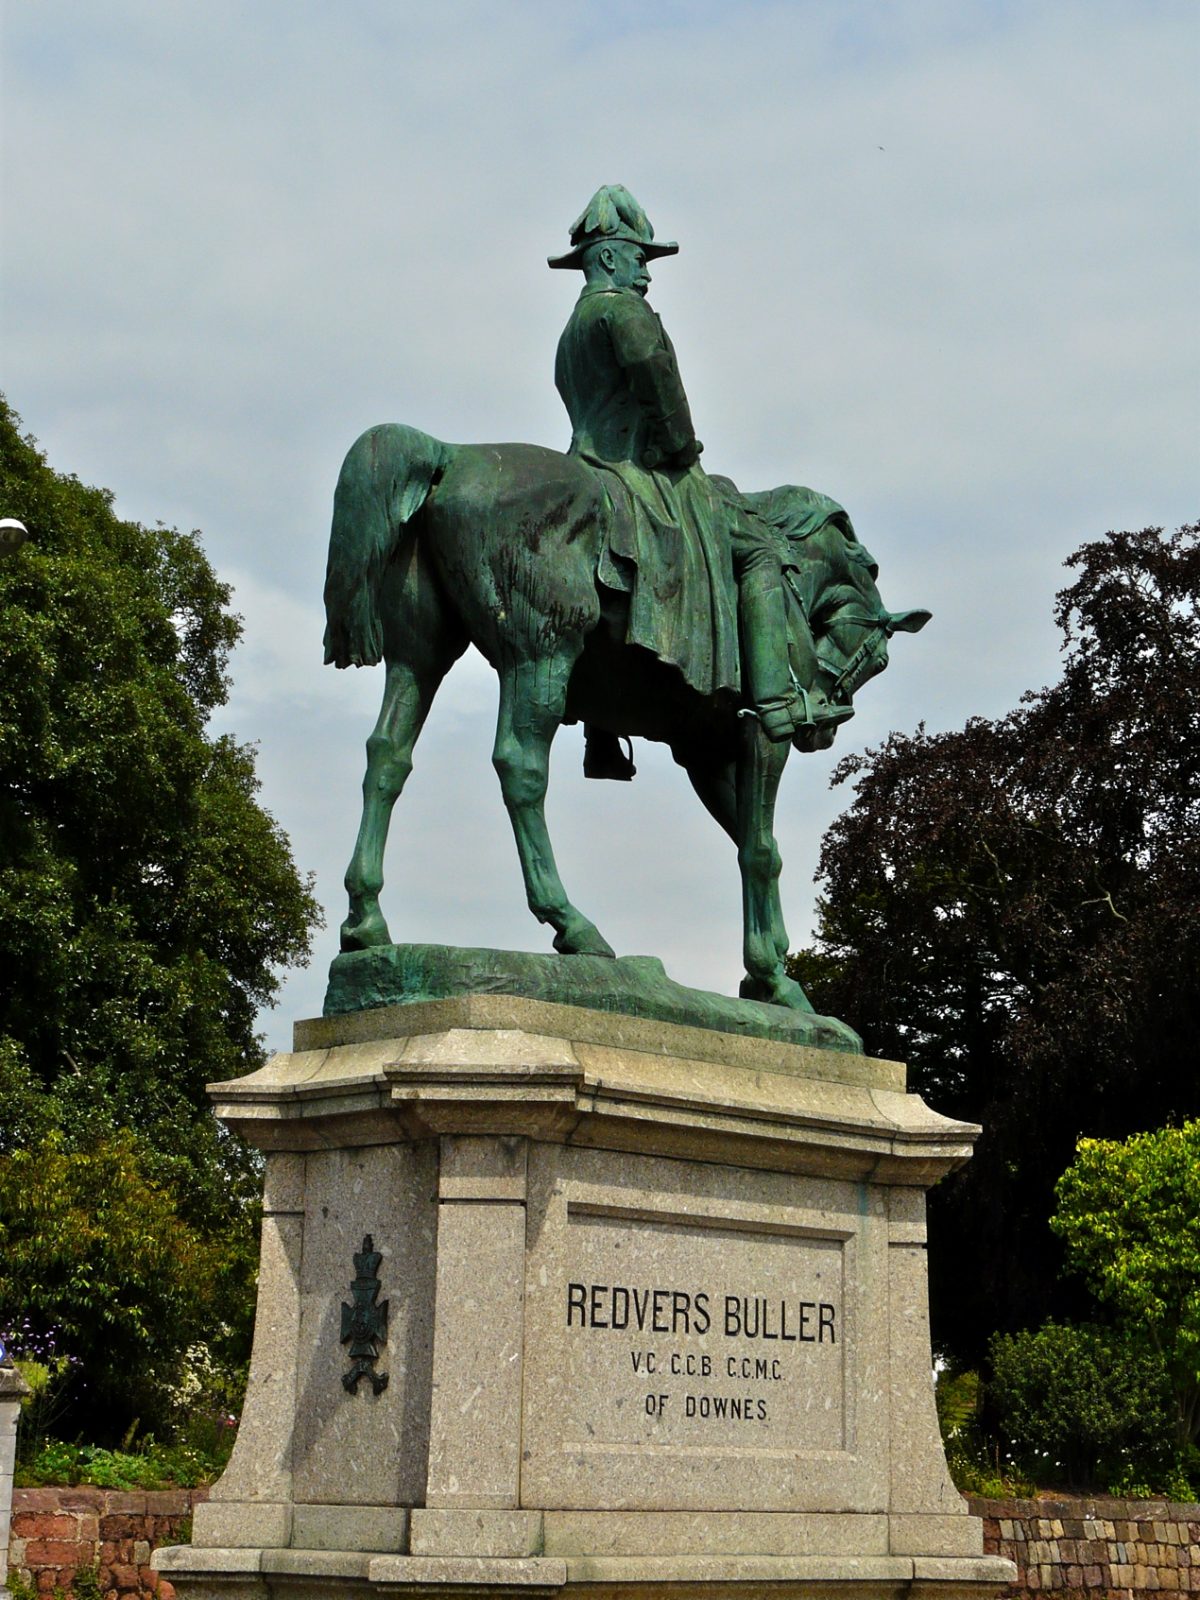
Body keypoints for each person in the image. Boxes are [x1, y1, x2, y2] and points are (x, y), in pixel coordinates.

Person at [548, 185, 848, 777]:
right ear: (609, 257)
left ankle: (599, 732)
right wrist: (680, 444)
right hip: (642, 473)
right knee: (761, 547)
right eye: (640, 257)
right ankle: (780, 701)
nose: (646, 273)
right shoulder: (623, 311)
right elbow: (656, 382)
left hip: (584, 463)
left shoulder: (571, 329)